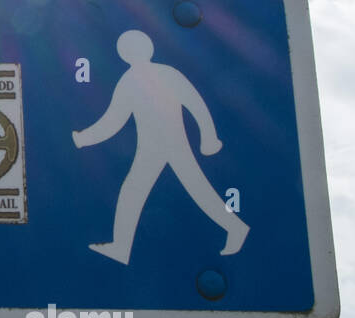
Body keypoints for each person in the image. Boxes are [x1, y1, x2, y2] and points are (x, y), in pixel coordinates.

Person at [72, 29, 249, 265]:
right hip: (153, 148)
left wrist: (209, 136)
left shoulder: (147, 77)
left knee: (192, 190)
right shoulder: (145, 77)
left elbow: (195, 105)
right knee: (138, 191)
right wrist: (85, 138)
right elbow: (114, 120)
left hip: (170, 144)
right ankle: (122, 247)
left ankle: (236, 228)